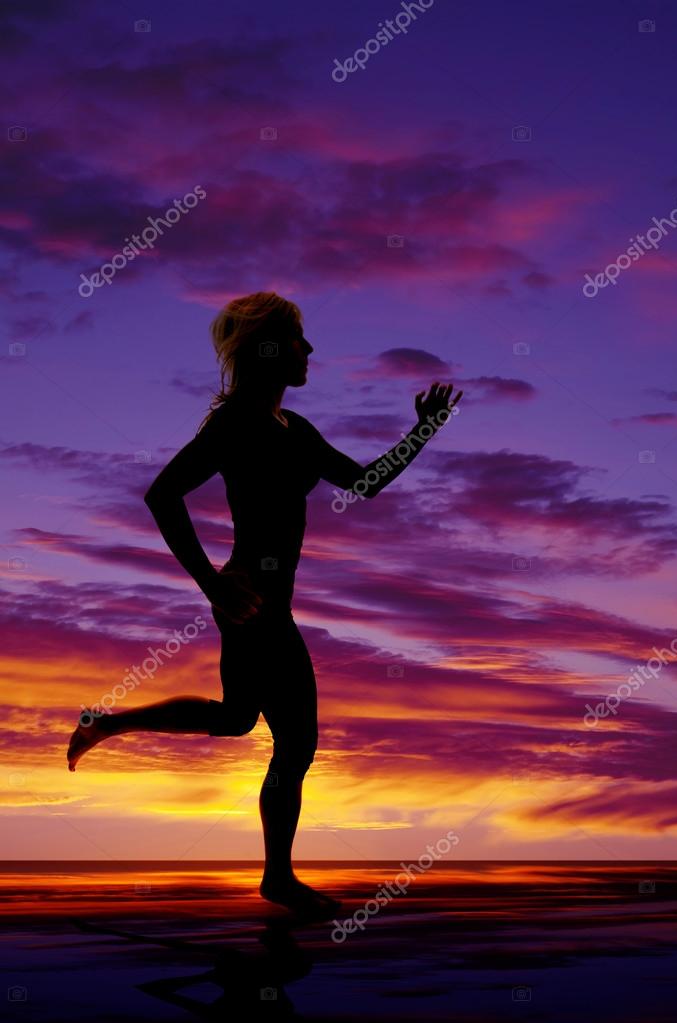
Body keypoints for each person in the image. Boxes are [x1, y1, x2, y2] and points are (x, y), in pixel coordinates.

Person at [67, 291, 462, 917]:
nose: (309, 351)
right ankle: (277, 878)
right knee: (293, 740)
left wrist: (421, 432)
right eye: (298, 341)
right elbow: (162, 495)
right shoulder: (233, 423)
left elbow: (364, 483)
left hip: (270, 600)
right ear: (267, 349)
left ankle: (108, 723)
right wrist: (213, 585)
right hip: (250, 597)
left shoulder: (294, 429)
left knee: (238, 720)